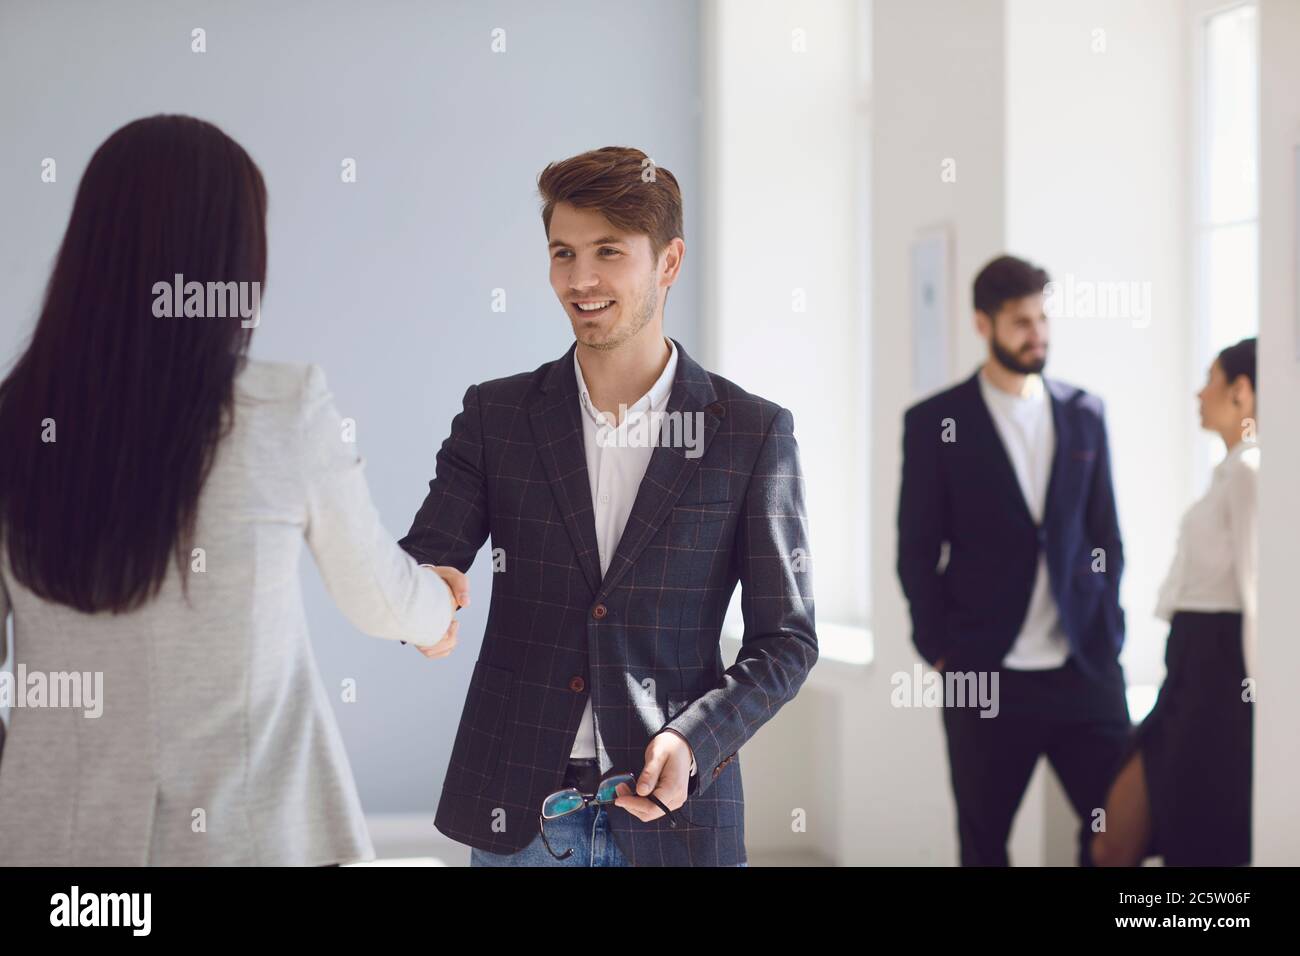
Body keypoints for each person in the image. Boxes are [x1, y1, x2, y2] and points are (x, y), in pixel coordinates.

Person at [0, 115, 466, 866]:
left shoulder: (15, 425)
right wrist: (437, 608)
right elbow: (379, 600)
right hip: (244, 842)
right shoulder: (280, 409)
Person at [399, 146, 818, 867]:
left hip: (678, 817)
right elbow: (429, 556)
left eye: (608, 252)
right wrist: (422, 598)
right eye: (563, 253)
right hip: (518, 813)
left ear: (668, 262)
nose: (580, 280)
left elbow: (787, 640)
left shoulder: (750, 432)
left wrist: (695, 739)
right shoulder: (497, 416)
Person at [896, 254, 1132, 866]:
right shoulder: (936, 422)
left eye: (1044, 318)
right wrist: (939, 647)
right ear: (984, 324)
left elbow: (1105, 533)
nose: (1039, 334)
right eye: (1022, 321)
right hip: (985, 673)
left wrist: (1109, 627)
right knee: (984, 843)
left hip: (1084, 667)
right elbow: (916, 547)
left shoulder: (1085, 413)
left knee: (1116, 832)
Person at [1092, 338, 1258, 867]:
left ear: (1242, 392)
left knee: (1195, 837)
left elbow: (1258, 595)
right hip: (1186, 666)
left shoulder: (1254, 472)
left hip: (1222, 672)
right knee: (1113, 839)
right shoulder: (1230, 470)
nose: (1198, 391)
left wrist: (1263, 700)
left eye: (1210, 378)